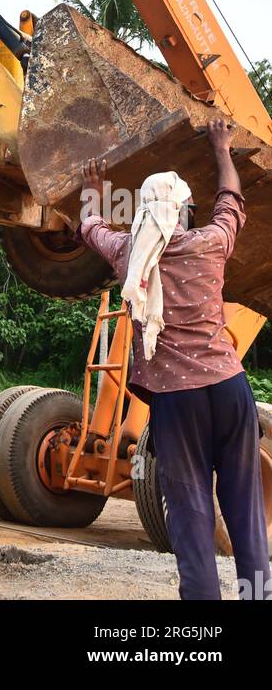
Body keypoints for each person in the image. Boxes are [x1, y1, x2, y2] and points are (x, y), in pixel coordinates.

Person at [77, 118, 270, 601]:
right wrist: (221, 148)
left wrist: (93, 191)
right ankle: (258, 596)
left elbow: (89, 227)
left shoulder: (129, 256)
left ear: (144, 214)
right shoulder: (210, 244)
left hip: (176, 403)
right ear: (185, 212)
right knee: (244, 509)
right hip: (229, 389)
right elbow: (231, 201)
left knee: (190, 512)